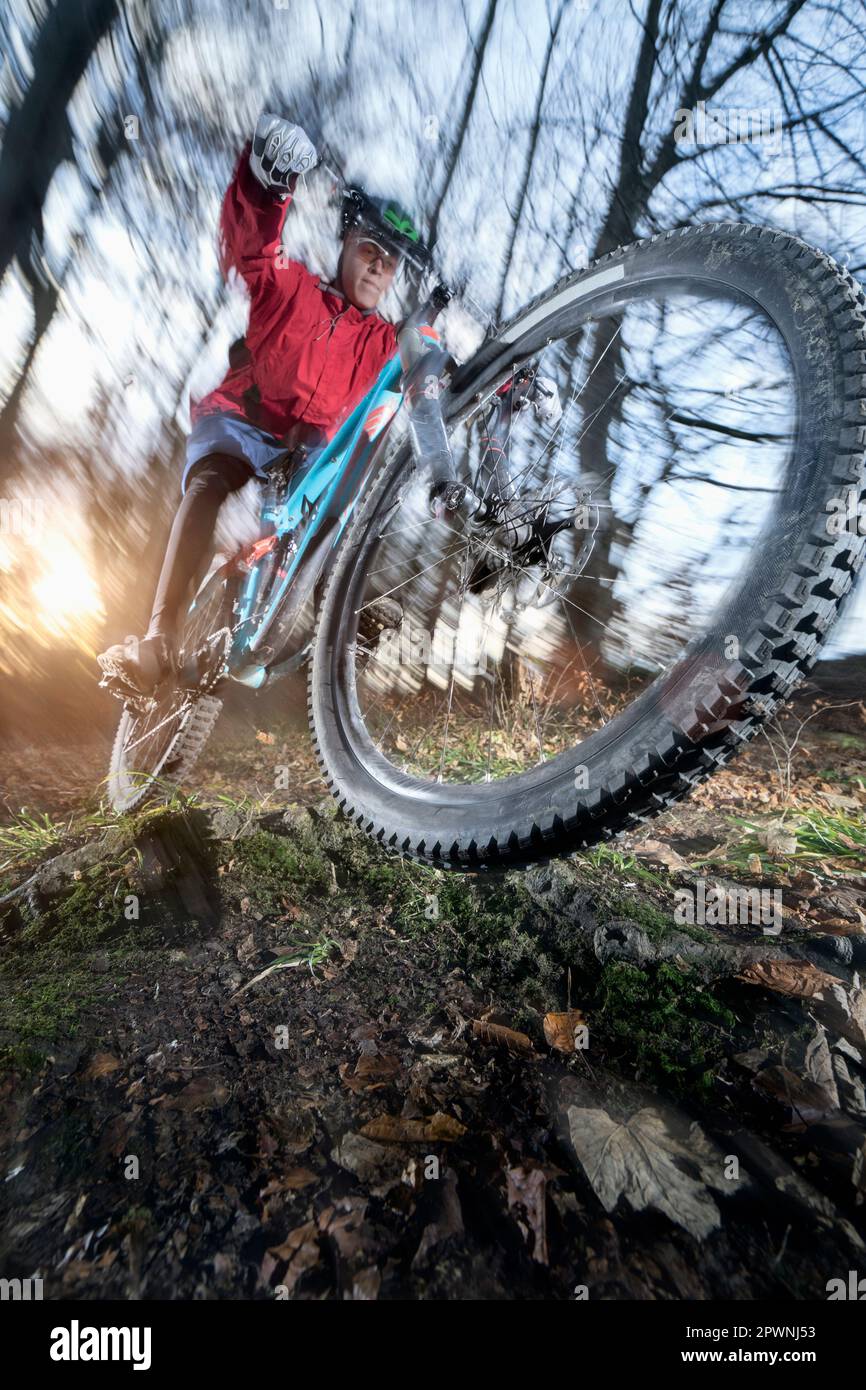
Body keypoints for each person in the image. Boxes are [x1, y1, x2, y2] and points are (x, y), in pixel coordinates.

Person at [98, 112, 427, 695]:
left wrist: (506, 379)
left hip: (304, 458)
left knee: (340, 506)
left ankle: (330, 615)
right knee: (208, 485)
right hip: (240, 421)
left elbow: (438, 364)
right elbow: (254, 247)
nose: (379, 265)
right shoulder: (294, 288)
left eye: (391, 260)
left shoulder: (383, 345)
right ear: (346, 245)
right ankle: (158, 637)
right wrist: (267, 184)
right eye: (370, 248)